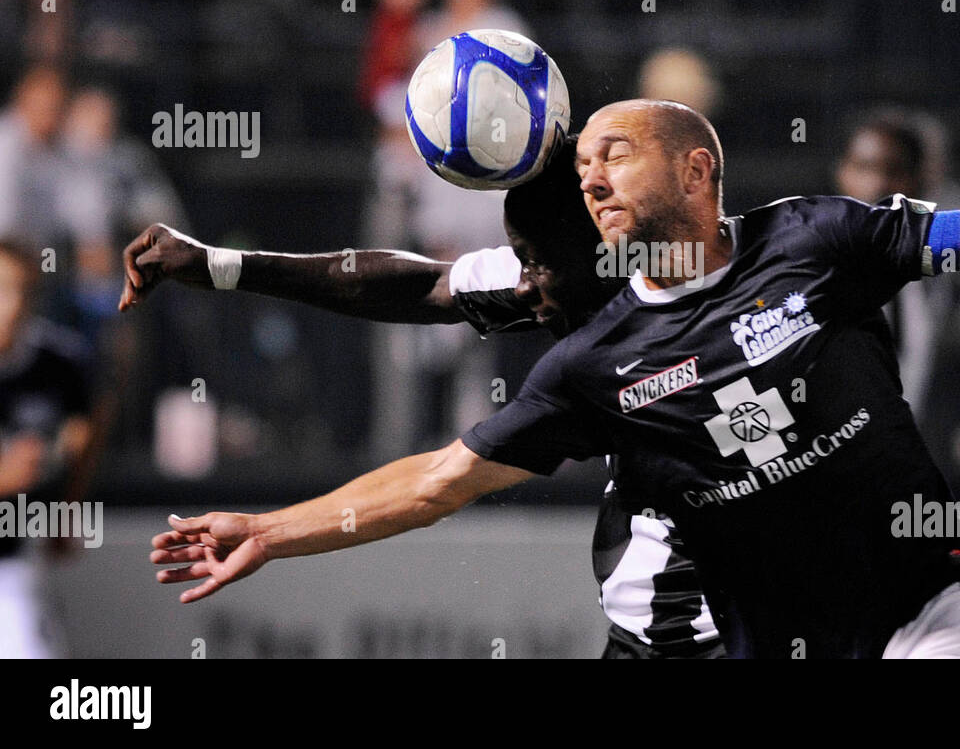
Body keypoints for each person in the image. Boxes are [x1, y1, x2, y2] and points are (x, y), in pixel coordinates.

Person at [147, 99, 960, 659]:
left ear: (697, 168)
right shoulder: (589, 357)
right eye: (579, 169)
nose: (590, 179)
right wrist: (273, 529)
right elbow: (435, 482)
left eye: (613, 156)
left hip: (931, 612)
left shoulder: (815, 239)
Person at [121, 140, 725, 659]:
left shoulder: (588, 371)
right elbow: (422, 284)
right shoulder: (748, 264)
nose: (519, 283)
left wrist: (266, 531)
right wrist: (225, 266)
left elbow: (437, 482)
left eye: (534, 263)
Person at [0, 240, 95, 658]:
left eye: (22, 289)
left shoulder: (58, 362)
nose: (11, 304)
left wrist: (67, 511)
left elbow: (81, 439)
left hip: (12, 556)